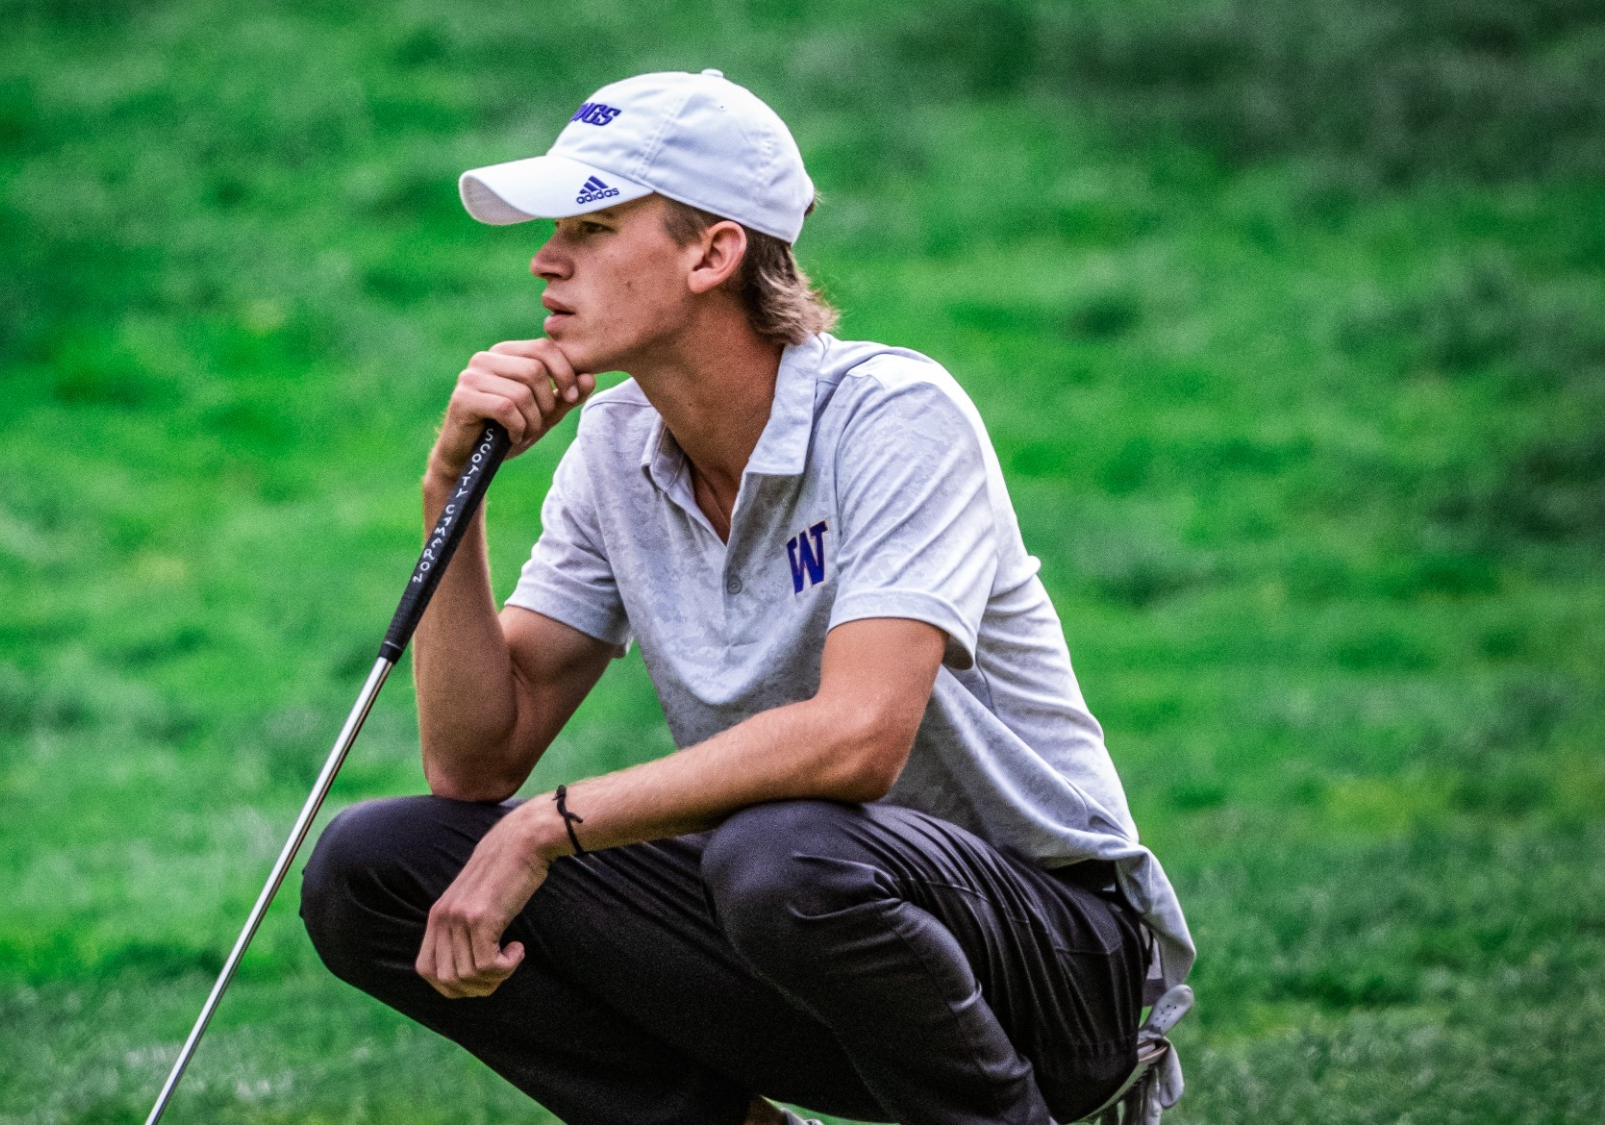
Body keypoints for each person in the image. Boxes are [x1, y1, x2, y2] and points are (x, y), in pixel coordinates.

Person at [299, 70, 1195, 1125]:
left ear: (712, 253)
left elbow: (857, 738)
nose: (544, 258)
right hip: (808, 931)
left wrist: (545, 826)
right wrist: (452, 490)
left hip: (1055, 965)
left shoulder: (893, 414)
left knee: (778, 852)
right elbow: (474, 760)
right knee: (377, 868)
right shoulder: (613, 448)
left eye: (591, 225)